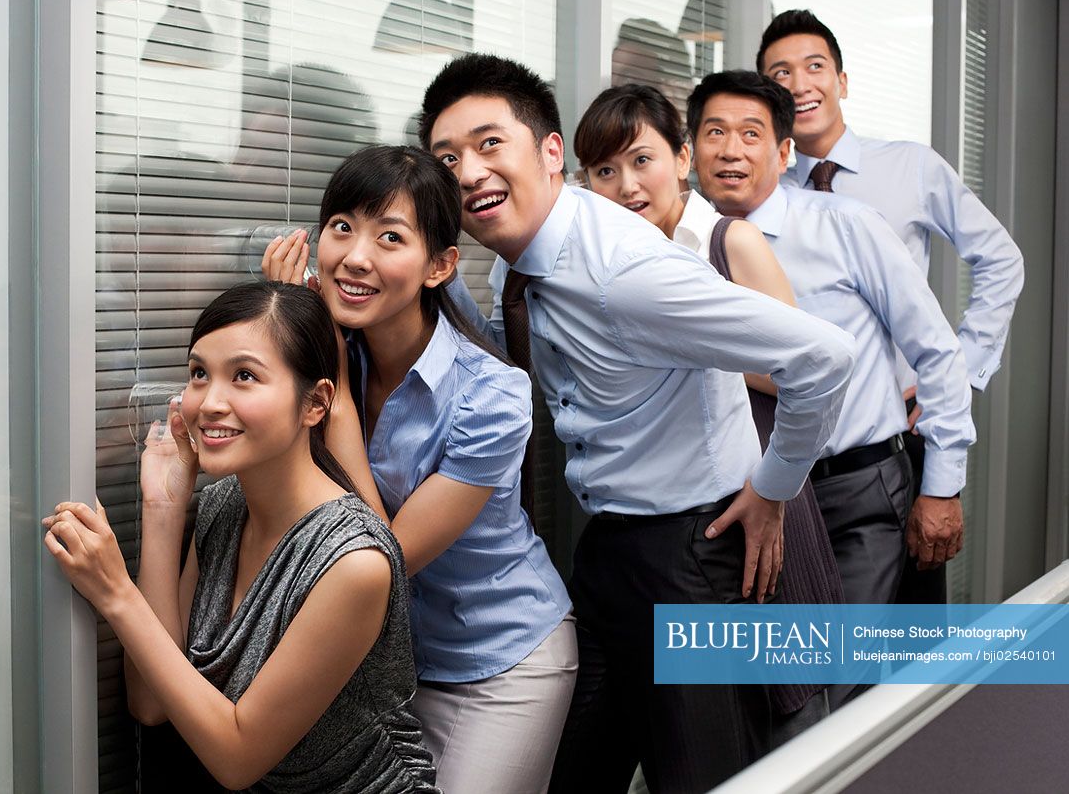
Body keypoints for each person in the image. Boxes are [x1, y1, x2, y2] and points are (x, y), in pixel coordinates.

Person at [420, 53, 856, 793]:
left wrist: (773, 485)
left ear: (549, 152)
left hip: (687, 559)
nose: (468, 172)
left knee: (701, 777)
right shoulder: (515, 263)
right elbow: (500, 363)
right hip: (610, 553)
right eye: (448, 157)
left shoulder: (628, 274)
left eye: (490, 144)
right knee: (575, 772)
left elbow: (823, 355)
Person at [260, 145, 577, 794]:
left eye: (390, 237)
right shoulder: (328, 353)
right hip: (387, 672)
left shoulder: (491, 396)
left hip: (499, 662)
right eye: (342, 227)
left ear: (439, 266)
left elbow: (382, 568)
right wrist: (283, 329)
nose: (355, 255)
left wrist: (340, 408)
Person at [42, 281, 438, 793]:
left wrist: (115, 591)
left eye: (244, 376)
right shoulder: (222, 504)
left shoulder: (354, 562)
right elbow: (151, 703)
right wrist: (163, 509)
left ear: (315, 403)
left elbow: (237, 758)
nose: (208, 402)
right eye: (199, 374)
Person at [574, 82, 843, 740]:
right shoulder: (604, 265)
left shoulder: (731, 240)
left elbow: (794, 375)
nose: (627, 185)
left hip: (763, 480)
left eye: (641, 161)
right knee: (717, 718)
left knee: (790, 704)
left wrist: (686, 342)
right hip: (695, 511)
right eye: (604, 171)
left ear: (681, 158)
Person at [688, 70, 976, 623]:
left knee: (839, 684)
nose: (731, 150)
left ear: (784, 150)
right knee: (772, 684)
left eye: (751, 134)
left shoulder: (845, 225)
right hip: (741, 499)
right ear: (690, 149)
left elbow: (936, 349)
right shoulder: (677, 247)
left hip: (852, 491)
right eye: (714, 132)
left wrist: (942, 486)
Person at [757, 10, 1024, 601]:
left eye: (814, 67)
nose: (800, 84)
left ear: (842, 81)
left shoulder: (910, 166)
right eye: (780, 73)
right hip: (802, 447)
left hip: (906, 429)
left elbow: (1002, 260)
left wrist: (962, 373)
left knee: (910, 633)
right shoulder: (762, 194)